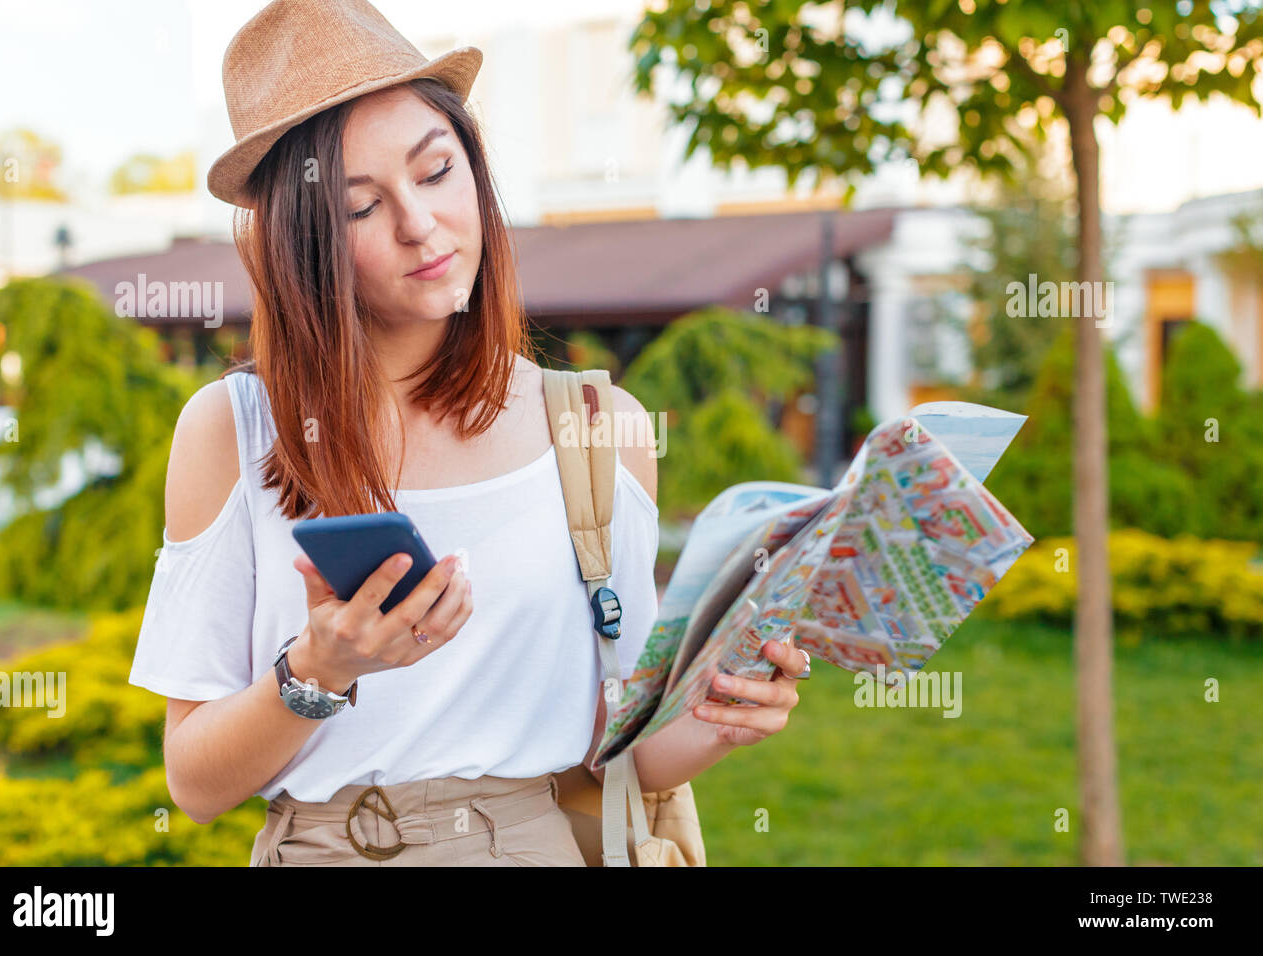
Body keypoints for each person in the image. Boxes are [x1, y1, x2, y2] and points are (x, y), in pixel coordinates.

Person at [127, 0, 808, 867]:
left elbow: (621, 748)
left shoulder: (599, 429)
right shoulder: (233, 429)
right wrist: (319, 670)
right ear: (304, 246)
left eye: (437, 171)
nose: (420, 224)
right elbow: (195, 783)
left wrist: (724, 713)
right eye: (360, 208)